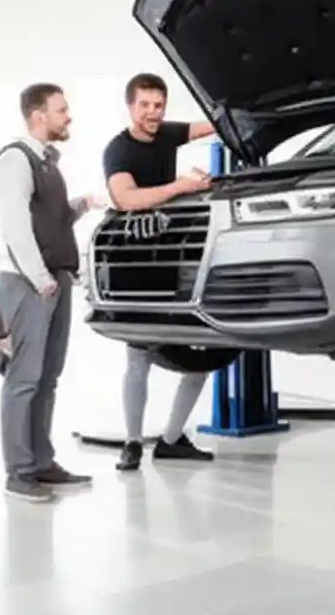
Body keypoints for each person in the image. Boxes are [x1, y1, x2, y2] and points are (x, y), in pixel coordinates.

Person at [102, 72, 220, 472]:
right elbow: (127, 198)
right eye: (145, 106)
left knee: (203, 355)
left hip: (170, 258)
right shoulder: (118, 150)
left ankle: (171, 440)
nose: (152, 113)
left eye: (159, 106)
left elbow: (208, 126)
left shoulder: (167, 133)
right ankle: (132, 443)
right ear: (130, 106)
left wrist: (233, 115)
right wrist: (181, 187)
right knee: (138, 357)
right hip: (134, 262)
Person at [0, 83, 96, 502]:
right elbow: (15, 227)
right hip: (28, 283)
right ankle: (18, 473)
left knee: (48, 376)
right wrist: (39, 278)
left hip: (55, 279)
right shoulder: (15, 160)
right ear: (39, 115)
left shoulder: (47, 163)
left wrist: (83, 204)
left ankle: (41, 462)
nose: (68, 116)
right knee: (24, 379)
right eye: (61, 109)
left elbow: (51, 220)